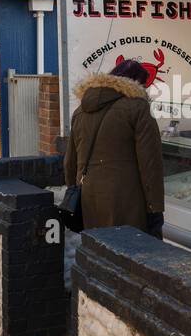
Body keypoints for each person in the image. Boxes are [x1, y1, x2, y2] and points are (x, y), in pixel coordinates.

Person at [64, 59, 165, 237]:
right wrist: (154, 208)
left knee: (99, 251)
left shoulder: (80, 111)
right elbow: (150, 164)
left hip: (90, 197)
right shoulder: (138, 108)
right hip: (128, 200)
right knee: (132, 254)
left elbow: (69, 162)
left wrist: (74, 189)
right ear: (137, 83)